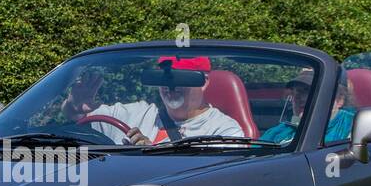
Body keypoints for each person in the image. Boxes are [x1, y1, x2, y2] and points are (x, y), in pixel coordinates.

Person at [62, 55, 244, 145]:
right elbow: (76, 116)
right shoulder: (135, 113)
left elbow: (211, 181)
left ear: (203, 82)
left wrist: (153, 154)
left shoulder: (224, 131)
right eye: (163, 78)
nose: (170, 86)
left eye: (180, 78)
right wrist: (75, 105)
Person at [262, 68, 356, 145]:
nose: (300, 98)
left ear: (339, 100)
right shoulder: (280, 131)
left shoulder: (354, 127)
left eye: (310, 91)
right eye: (297, 91)